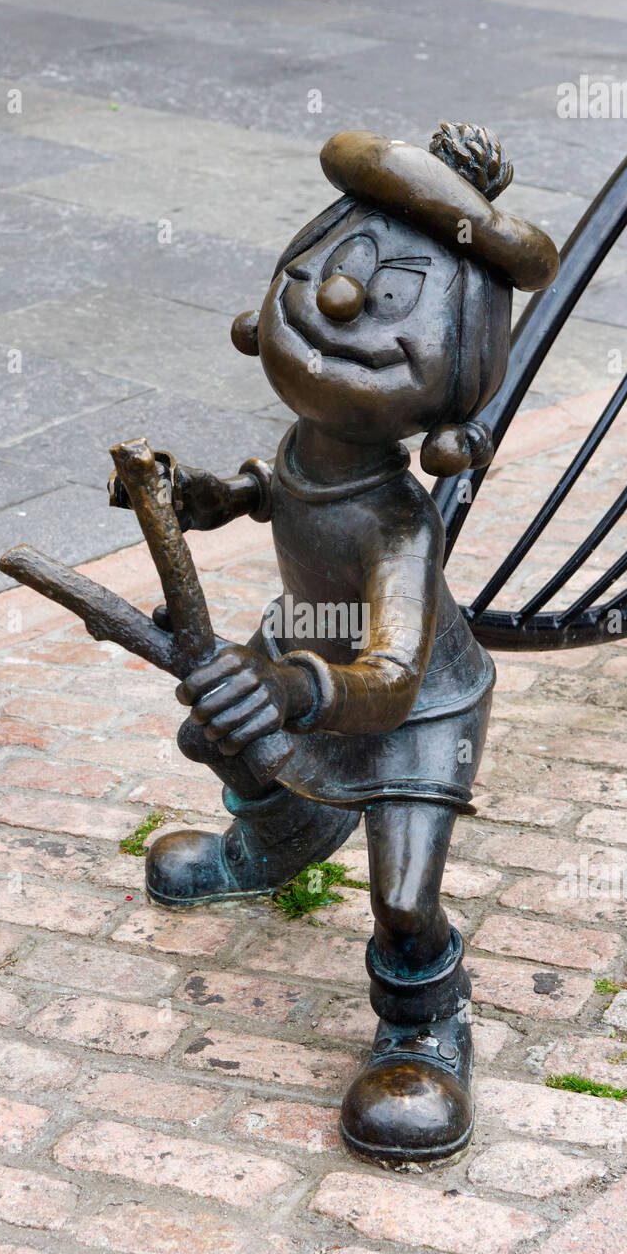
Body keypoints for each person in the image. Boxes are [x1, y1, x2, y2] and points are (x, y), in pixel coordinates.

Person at [110, 123, 557, 1164]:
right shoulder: (308, 452)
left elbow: (392, 674)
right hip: (306, 659)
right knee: (219, 737)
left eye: (392, 296)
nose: (342, 298)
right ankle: (265, 846)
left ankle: (423, 1022)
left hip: (411, 708)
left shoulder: (397, 525)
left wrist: (290, 688)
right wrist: (203, 496)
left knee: (403, 894)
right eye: (324, 268)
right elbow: (275, 493)